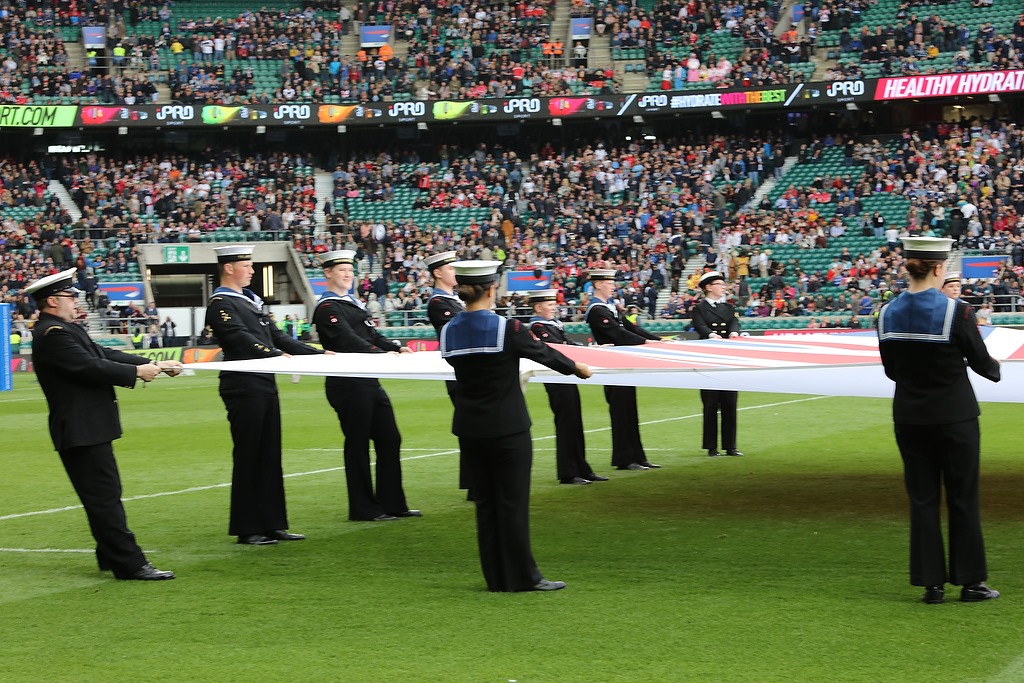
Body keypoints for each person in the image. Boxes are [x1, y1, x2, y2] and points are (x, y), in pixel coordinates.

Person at [440, 261, 592, 592]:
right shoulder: (508, 328)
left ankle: (496, 577)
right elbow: (544, 354)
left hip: (469, 428)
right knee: (512, 504)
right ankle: (523, 576)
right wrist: (577, 367)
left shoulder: (448, 330)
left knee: (486, 505)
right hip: (508, 427)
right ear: (492, 289)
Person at [28, 267, 182, 581]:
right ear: (52, 301)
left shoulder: (64, 329)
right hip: (80, 429)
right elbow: (90, 366)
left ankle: (109, 554)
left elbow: (104, 352)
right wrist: (137, 374)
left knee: (104, 493)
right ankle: (129, 563)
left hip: (88, 426)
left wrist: (152, 364)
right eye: (70, 295)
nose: (75, 300)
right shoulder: (52, 334)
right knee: (104, 496)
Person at [877, 236, 1001, 604]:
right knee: (963, 497)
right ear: (938, 267)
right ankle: (970, 582)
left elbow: (891, 371)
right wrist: (991, 367)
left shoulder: (885, 312)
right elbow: (984, 365)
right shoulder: (957, 311)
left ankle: (931, 584)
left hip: (910, 418)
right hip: (955, 416)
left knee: (922, 499)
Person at [205, 245, 326, 546]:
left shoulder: (250, 302)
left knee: (270, 454)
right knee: (249, 455)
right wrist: (274, 354)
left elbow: (278, 336)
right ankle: (248, 527)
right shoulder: (221, 303)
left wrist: (319, 354)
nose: (252, 270)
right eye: (246, 265)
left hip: (263, 382)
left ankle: (273, 523)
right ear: (229, 268)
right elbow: (239, 339)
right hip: (243, 385)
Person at [312, 250, 420, 522]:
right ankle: (363, 508)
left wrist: (395, 347)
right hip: (347, 382)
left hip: (367, 379)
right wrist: (378, 353)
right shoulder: (327, 307)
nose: (348, 275)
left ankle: (392, 503)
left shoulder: (353, 304)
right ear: (328, 273)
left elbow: (372, 334)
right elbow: (348, 340)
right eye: (341, 270)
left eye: (350, 270)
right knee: (358, 443)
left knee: (389, 437)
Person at [585, 268, 661, 471]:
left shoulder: (610, 307)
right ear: (598, 284)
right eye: (609, 282)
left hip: (623, 364)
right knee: (620, 411)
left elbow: (631, 327)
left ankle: (636, 455)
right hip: (611, 365)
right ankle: (624, 458)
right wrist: (646, 342)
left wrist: (658, 340)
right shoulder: (596, 310)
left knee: (630, 410)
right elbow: (618, 334)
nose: (613, 285)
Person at [528, 289, 606, 485]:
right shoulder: (538, 326)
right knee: (566, 423)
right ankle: (568, 471)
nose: (554, 307)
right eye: (549, 304)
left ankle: (581, 468)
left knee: (574, 422)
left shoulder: (552, 324)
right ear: (538, 307)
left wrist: (589, 349)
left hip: (566, 377)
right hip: (556, 378)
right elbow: (557, 347)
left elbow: (567, 343)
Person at [425, 250, 473, 497]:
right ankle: (474, 482)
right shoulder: (438, 303)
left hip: (465, 370)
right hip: (457, 372)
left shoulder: (453, 299)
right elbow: (460, 329)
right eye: (451, 269)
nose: (456, 272)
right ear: (438, 273)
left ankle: (475, 481)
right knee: (472, 426)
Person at [690, 271, 744, 457]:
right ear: (708, 287)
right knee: (711, 404)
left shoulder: (728, 308)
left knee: (730, 403)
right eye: (719, 284)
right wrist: (711, 335)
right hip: (708, 358)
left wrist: (734, 333)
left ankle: (731, 446)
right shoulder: (699, 308)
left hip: (727, 357)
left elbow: (734, 322)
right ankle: (712, 447)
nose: (724, 287)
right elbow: (699, 325)